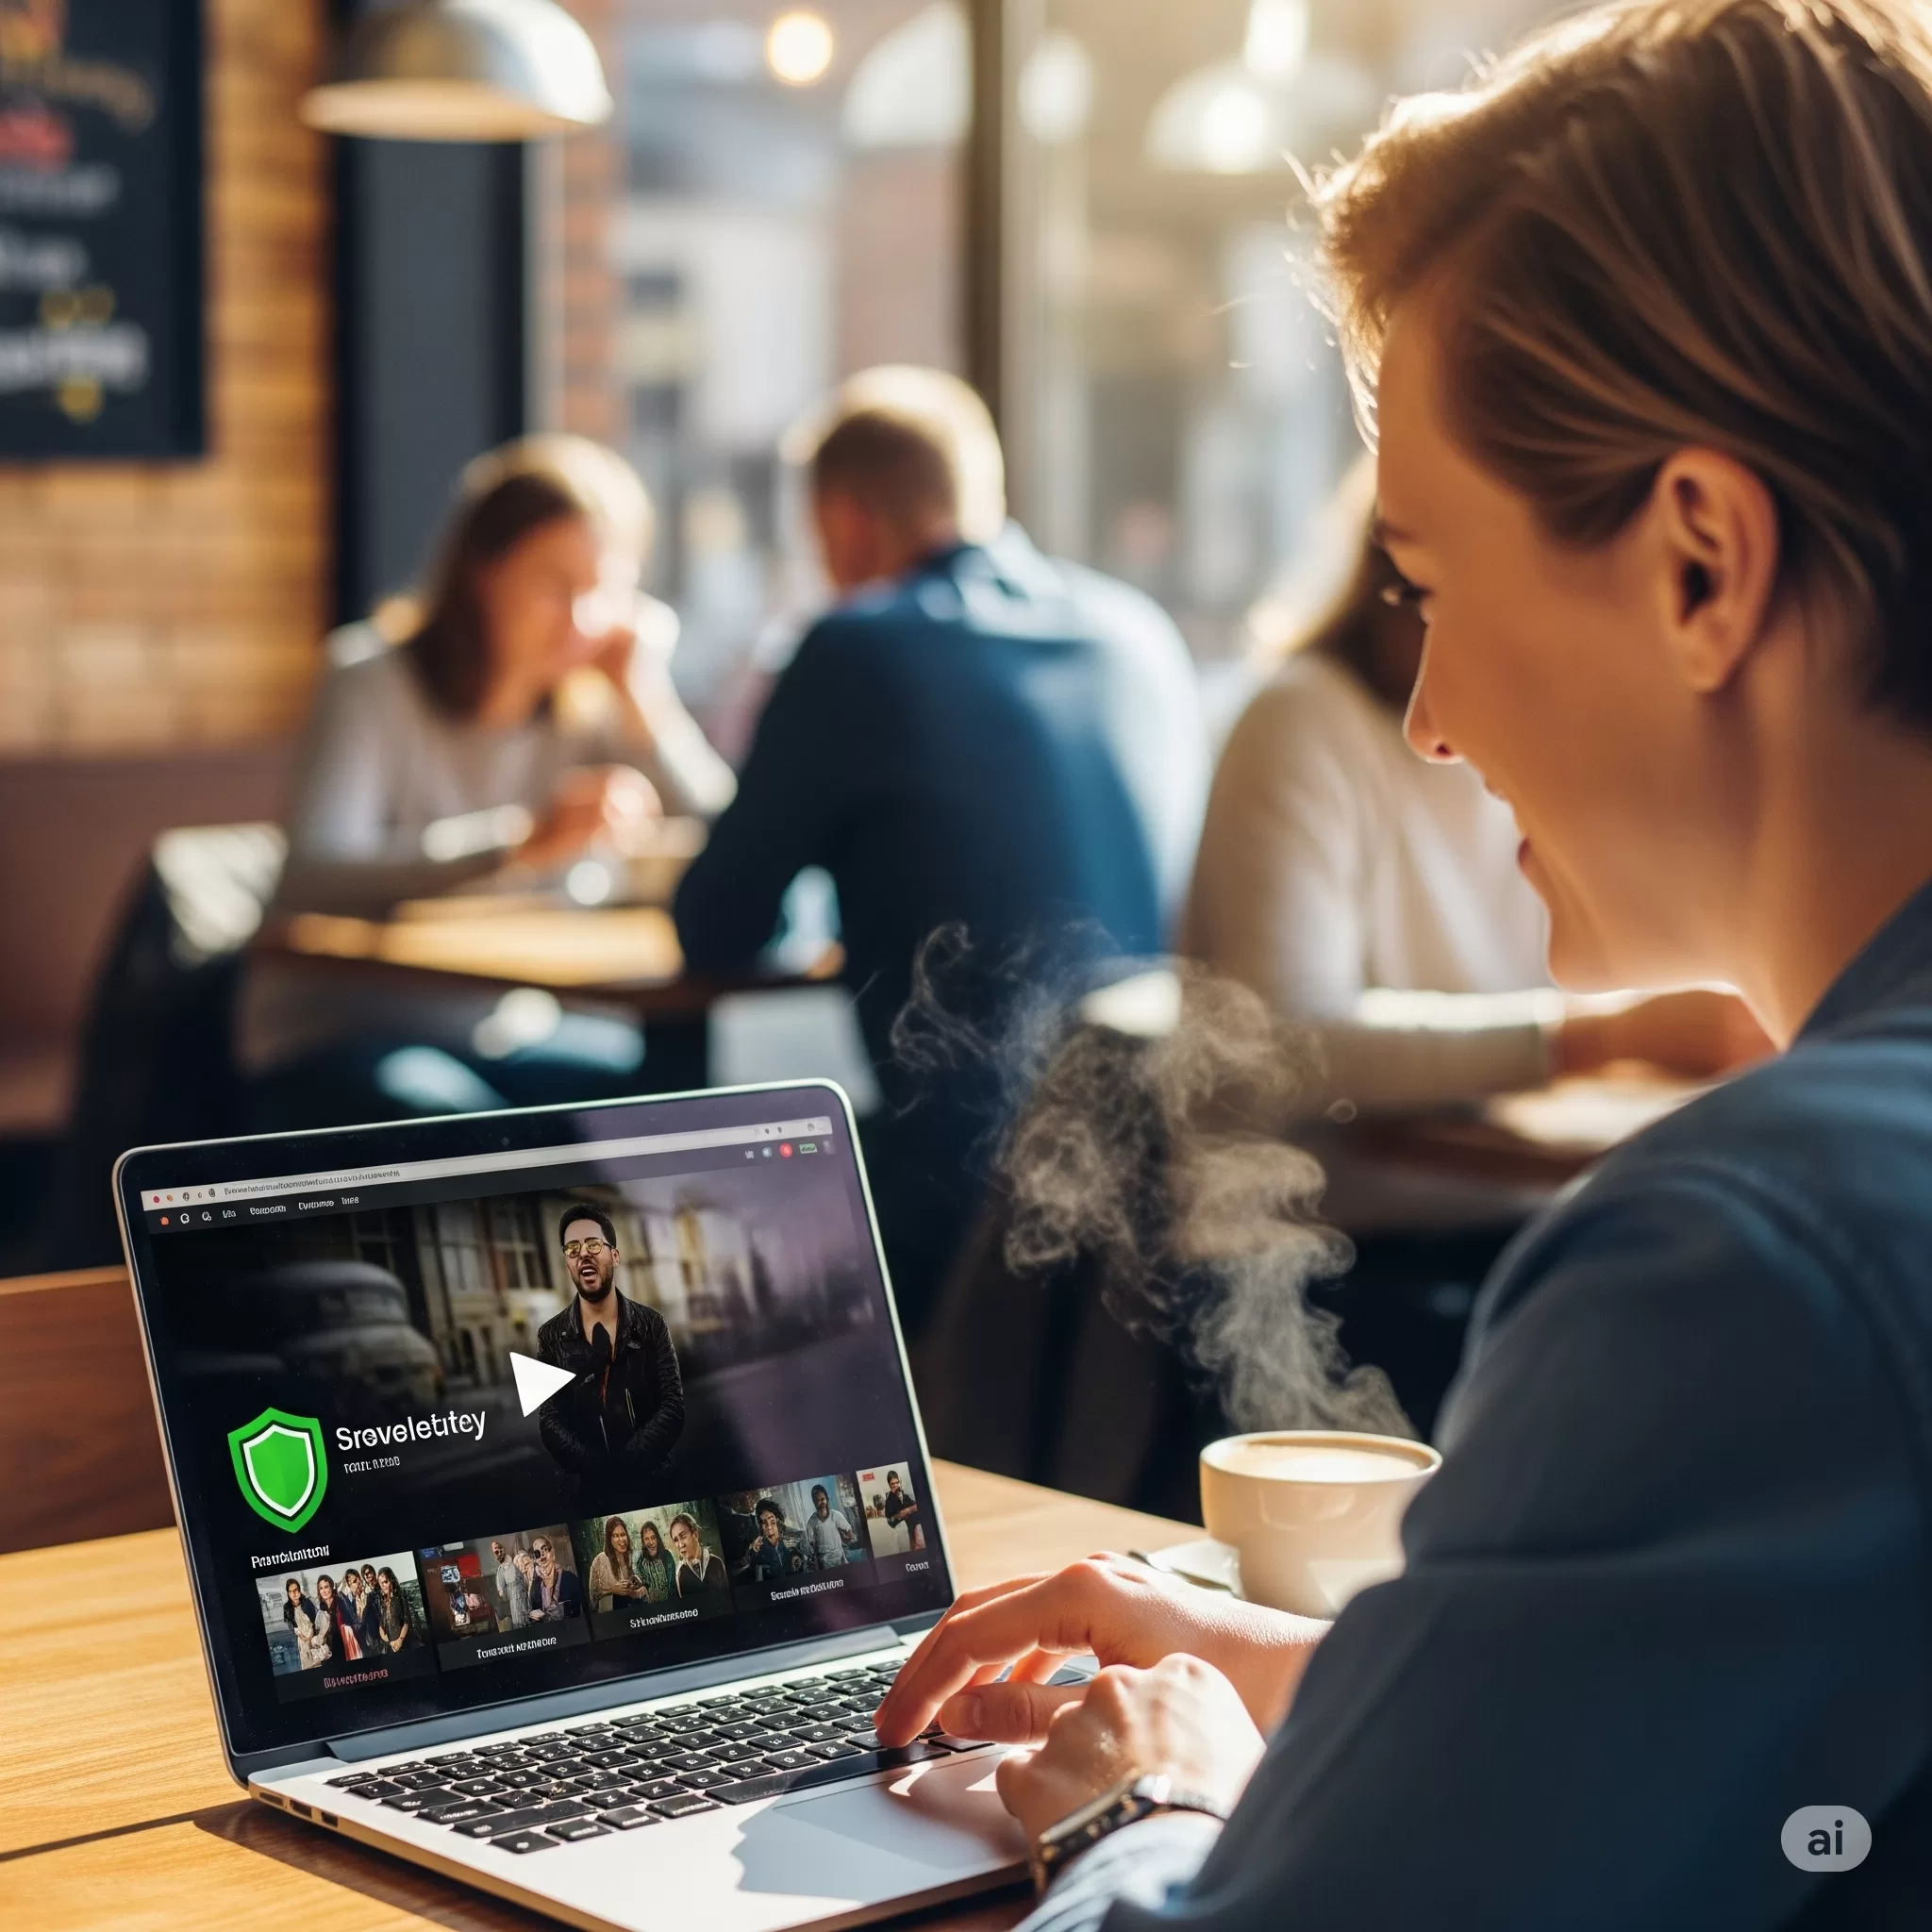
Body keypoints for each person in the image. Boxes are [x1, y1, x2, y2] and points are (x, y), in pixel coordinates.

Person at [873, 4, 1932, 1924]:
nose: (1429, 717)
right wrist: (1359, 1686)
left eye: (1435, 584)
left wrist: (1147, 1810)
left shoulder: (1763, 1253)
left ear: (1699, 560)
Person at [674, 367, 1209, 1336]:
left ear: (842, 522)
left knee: (683, 1249)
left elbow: (714, 925)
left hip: (962, 1193)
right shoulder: (1138, 634)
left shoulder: (851, 649)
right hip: (1158, 1179)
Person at [1182, 457, 1770, 1121]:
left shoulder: (1550, 744)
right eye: (1429, 595)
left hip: (1514, 1180)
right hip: (1333, 1212)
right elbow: (1276, 1044)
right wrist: (1600, 1038)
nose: (1431, 729)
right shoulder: (1302, 725)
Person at [242, 434, 737, 1128]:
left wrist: (647, 704)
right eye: (555, 585)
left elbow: (739, 846)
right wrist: (517, 846)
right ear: (482, 572)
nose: (582, 618)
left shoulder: (587, 703)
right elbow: (315, 875)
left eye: (603, 589)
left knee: (675, 1109)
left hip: (497, 1031)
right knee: (471, 1135)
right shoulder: (370, 682)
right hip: (337, 1031)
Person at [536, 1206, 684, 1503]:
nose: (583, 1255)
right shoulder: (550, 1336)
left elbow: (673, 1405)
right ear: (567, 1264)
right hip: (595, 1494)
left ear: (614, 1256)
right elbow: (549, 1422)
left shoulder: (651, 1323)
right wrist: (598, 1469)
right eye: (572, 1248)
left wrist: (628, 1462)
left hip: (658, 1483)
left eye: (593, 1244)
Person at [668, 1511, 729, 1603]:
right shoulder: (680, 1574)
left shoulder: (716, 1563)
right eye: (676, 1540)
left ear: (695, 1535)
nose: (680, 1545)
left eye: (683, 1536)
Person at [587, 1515, 644, 1612]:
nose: (621, 1539)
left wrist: (635, 1589)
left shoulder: (632, 1556)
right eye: (616, 1536)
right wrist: (612, 1589)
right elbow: (593, 1596)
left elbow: (644, 1587)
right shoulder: (600, 1561)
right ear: (609, 1539)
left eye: (623, 1534)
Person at [800, 1482, 858, 1571]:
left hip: (839, 1558)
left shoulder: (836, 1515)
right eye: (818, 1500)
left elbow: (850, 1535)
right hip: (823, 1562)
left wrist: (844, 1538)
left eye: (823, 1499)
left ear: (827, 1499)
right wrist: (813, 1548)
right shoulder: (812, 1521)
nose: (821, 1502)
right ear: (814, 1502)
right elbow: (807, 1546)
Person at [738, 1499, 797, 1585]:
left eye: (772, 1522)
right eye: (764, 1523)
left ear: (778, 1522)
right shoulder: (758, 1549)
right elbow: (739, 1569)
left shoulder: (790, 1540)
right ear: (760, 1526)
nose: (769, 1527)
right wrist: (751, 1550)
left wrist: (796, 1557)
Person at [525, 1536, 583, 1622]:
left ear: (552, 1552)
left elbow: (579, 1609)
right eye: (537, 1553)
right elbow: (531, 1610)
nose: (542, 1555)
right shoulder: (536, 1585)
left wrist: (560, 1610)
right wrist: (532, 1615)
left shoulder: (570, 1579)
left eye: (544, 1549)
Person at [282, 1577, 329, 1669]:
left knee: (317, 1663)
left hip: (312, 1638)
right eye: (290, 1591)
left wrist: (311, 1637)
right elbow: (293, 1625)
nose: (294, 1593)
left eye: (295, 1590)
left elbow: (316, 1622)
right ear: (288, 1593)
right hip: (302, 1641)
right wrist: (302, 1636)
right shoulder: (287, 1607)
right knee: (307, 1665)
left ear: (299, 1590)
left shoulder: (307, 1602)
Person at [314, 1573, 360, 1663]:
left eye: (326, 1587)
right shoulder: (320, 1609)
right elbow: (318, 1631)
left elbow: (352, 1621)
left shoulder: (340, 1601)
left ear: (331, 1587)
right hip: (328, 1652)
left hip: (344, 1646)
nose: (324, 1591)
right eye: (321, 1588)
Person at [633, 1519, 676, 1603]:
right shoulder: (640, 1563)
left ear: (657, 1538)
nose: (651, 1542)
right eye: (647, 1539)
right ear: (643, 1541)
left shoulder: (667, 1556)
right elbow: (640, 1586)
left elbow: (673, 1584)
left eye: (653, 1538)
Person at [371, 1566, 412, 1653]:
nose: (383, 1586)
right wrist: (382, 1634)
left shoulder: (400, 1595)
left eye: (385, 1582)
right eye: (380, 1583)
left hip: (403, 1643)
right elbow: (381, 1622)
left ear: (391, 1580)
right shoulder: (381, 1600)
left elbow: (406, 1620)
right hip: (389, 1645)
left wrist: (400, 1640)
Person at [491, 1538, 529, 1629]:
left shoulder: (518, 1560)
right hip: (515, 1605)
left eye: (499, 1548)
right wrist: (511, 1590)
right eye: (495, 1552)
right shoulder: (501, 1570)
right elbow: (503, 1594)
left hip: (527, 1600)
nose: (499, 1553)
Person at [881, 1470, 922, 1552]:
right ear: (889, 1484)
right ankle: (916, 1545)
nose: (895, 1485)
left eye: (897, 1482)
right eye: (893, 1483)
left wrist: (909, 1510)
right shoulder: (889, 1500)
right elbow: (894, 1516)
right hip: (899, 1524)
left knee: (917, 1515)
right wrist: (909, 1510)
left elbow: (916, 1506)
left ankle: (917, 1544)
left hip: (910, 1521)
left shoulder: (905, 1496)